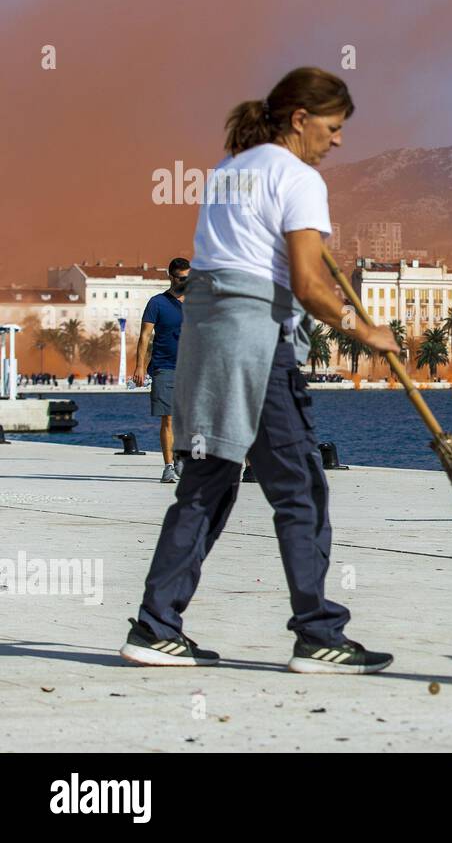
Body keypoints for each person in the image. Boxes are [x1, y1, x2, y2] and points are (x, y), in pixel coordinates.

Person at [121, 67, 399, 674]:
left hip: (205, 338)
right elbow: (307, 283)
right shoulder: (298, 178)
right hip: (256, 342)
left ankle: (155, 626)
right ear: (300, 120)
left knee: (205, 483)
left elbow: (226, 264)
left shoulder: (226, 173)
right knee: (300, 487)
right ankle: (318, 635)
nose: (340, 140)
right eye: (333, 127)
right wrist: (364, 331)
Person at [133, 257, 189, 483]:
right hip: (164, 368)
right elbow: (145, 336)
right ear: (172, 277)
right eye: (183, 278)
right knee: (168, 419)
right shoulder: (157, 303)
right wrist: (139, 366)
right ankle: (168, 466)